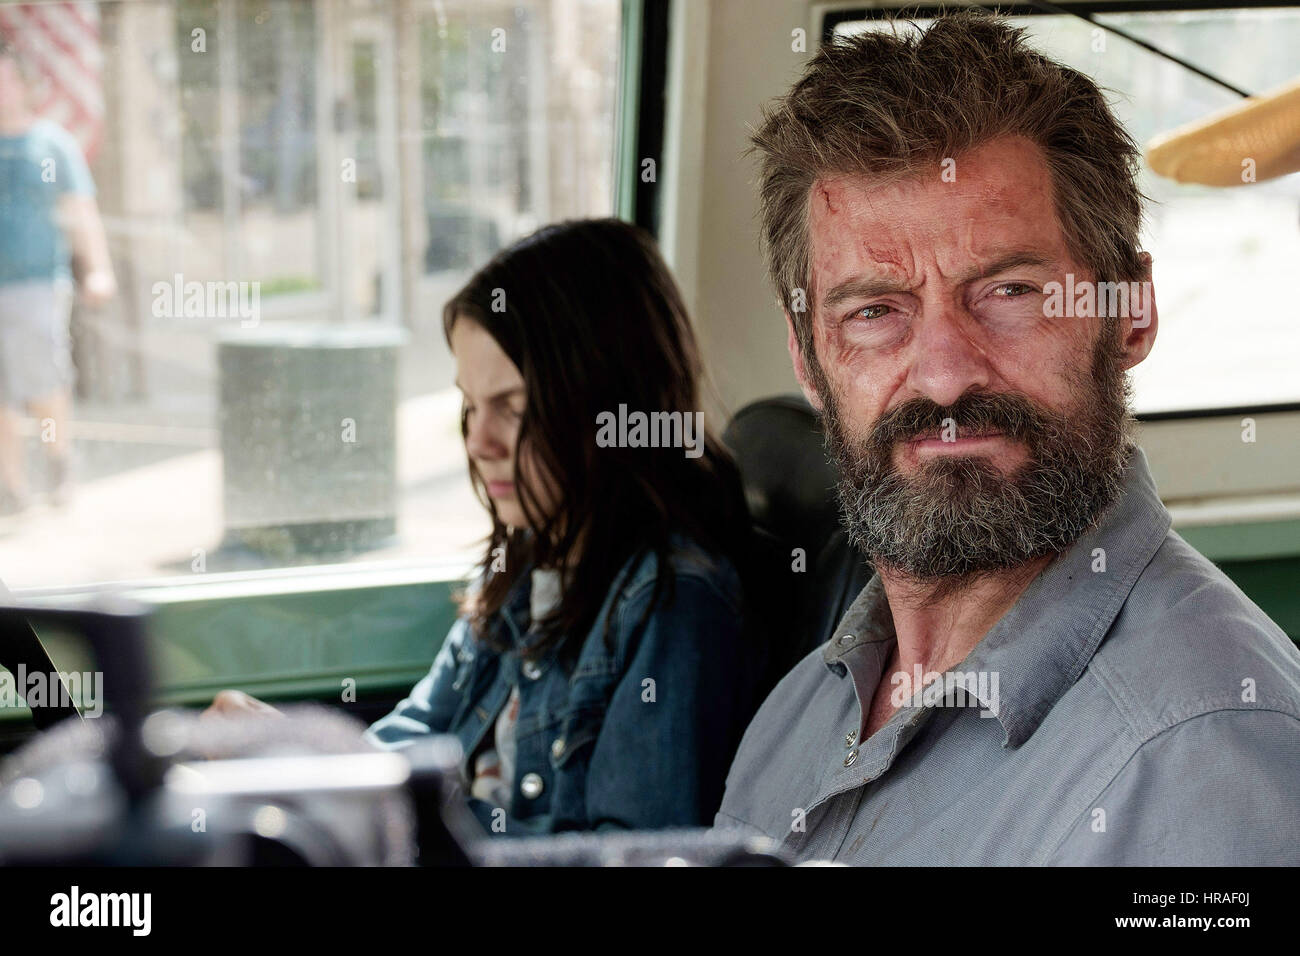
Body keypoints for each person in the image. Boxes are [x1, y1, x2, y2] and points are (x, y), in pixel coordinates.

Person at [713, 11, 1300, 864]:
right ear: (808, 355)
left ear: (1130, 311)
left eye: (1012, 292)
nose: (946, 376)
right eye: (876, 312)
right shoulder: (805, 706)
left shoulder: (1198, 761)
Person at [210, 219, 766, 836]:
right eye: (471, 406)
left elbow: (631, 855)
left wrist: (423, 824)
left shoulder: (671, 603)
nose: (477, 440)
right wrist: (296, 755)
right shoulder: (527, 558)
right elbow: (421, 731)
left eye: (512, 407)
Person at [0, 38, 116, 515]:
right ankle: (12, 487)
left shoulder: (51, 144)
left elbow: (81, 212)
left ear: (25, 86)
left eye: (6, 80)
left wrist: (98, 270)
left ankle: (58, 460)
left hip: (37, 285)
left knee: (43, 381)